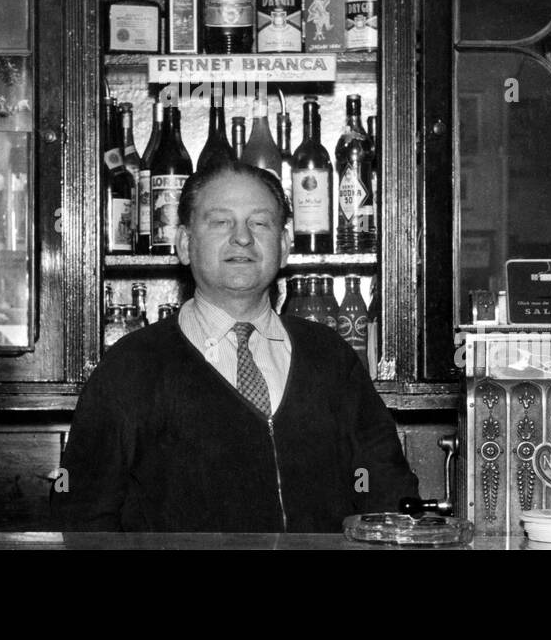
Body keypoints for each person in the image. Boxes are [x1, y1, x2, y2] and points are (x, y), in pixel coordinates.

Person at [54, 160, 418, 532]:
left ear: (285, 244)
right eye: (220, 222)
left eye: (260, 223)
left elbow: (383, 486)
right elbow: (82, 511)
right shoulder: (131, 366)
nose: (242, 237)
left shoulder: (330, 356)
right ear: (183, 243)